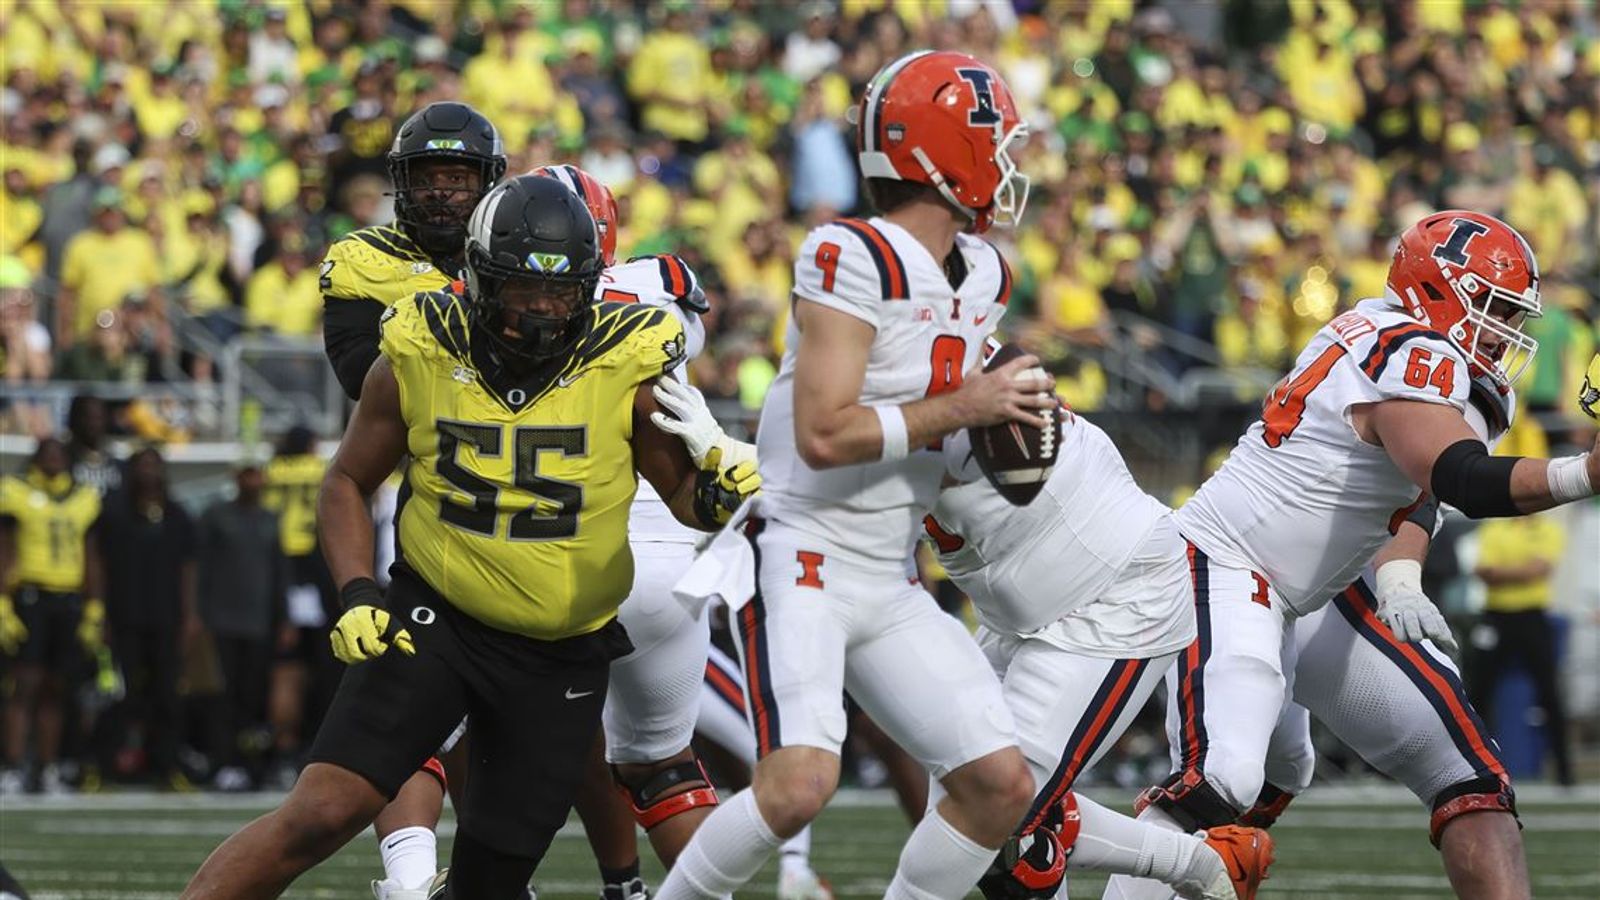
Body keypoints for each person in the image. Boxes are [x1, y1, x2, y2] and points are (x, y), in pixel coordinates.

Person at [180, 174, 759, 900]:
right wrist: (359, 593)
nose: (545, 311)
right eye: (523, 291)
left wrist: (718, 493)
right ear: (480, 280)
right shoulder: (421, 343)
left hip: (562, 654)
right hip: (437, 622)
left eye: (561, 292)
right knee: (321, 813)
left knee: (492, 881)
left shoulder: (629, 357)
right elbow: (346, 481)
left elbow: (682, 498)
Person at [1105, 211, 1598, 900]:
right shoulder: (1405, 350)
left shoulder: (1432, 359)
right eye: (1491, 307)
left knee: (1467, 774)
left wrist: (1399, 576)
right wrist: (1583, 475)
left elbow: (1414, 489)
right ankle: (1063, 842)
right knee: (1223, 779)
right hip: (1225, 565)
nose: (1504, 330)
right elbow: (1455, 473)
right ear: (1437, 290)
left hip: (1314, 592)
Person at [661, 50, 1052, 900]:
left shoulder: (986, 271)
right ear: (942, 154)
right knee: (799, 783)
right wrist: (971, 409)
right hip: (801, 551)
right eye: (992, 139)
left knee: (1001, 787)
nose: (1007, 159)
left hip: (889, 567)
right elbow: (826, 433)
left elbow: (941, 435)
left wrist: (1006, 435)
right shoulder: (850, 252)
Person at [922, 371, 1272, 900]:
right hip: (1020, 594)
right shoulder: (881, 356)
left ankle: (1196, 862)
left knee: (983, 818)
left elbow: (893, 457)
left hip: (1110, 589)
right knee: (980, 825)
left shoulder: (933, 363)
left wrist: (792, 475)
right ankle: (1201, 861)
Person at [321, 101, 506, 401]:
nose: (438, 192)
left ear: (487, 182)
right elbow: (358, 376)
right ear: (402, 181)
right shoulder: (362, 254)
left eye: (456, 179)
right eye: (424, 179)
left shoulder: (508, 255)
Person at [0, 438, 102, 795]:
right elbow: (5, 547)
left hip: (69, 599)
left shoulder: (84, 497)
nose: (55, 460)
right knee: (23, 685)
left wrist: (94, 606)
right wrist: (2, 602)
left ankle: (47, 767)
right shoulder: (15, 491)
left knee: (56, 690)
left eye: (60, 454)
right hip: (30, 596)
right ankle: (13, 766)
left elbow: (91, 554)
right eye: (49, 454)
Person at [95, 446, 200, 792]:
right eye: (142, 465)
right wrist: (100, 613)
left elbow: (188, 570)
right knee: (123, 695)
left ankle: (166, 766)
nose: (148, 472)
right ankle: (108, 766)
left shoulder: (177, 514)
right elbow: (100, 566)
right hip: (124, 615)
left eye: (154, 464)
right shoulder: (114, 514)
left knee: (167, 694)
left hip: (166, 617)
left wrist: (190, 616)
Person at [197, 458, 288, 791]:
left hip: (259, 622)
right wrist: (198, 615)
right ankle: (222, 762)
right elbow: (201, 570)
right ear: (237, 478)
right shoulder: (217, 516)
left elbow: (280, 573)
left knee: (253, 698)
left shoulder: (269, 520)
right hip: (222, 620)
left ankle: (252, 765)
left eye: (257, 474)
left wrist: (284, 619)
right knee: (223, 696)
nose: (254, 480)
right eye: (248, 474)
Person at [1467, 513, 1573, 786]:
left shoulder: (1548, 529)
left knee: (1549, 692)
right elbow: (1483, 571)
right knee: (1478, 692)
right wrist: (1521, 571)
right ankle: (1469, 767)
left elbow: (1538, 570)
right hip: (1496, 617)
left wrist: (1502, 573)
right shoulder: (1494, 526)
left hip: (1532, 617)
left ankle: (1564, 771)